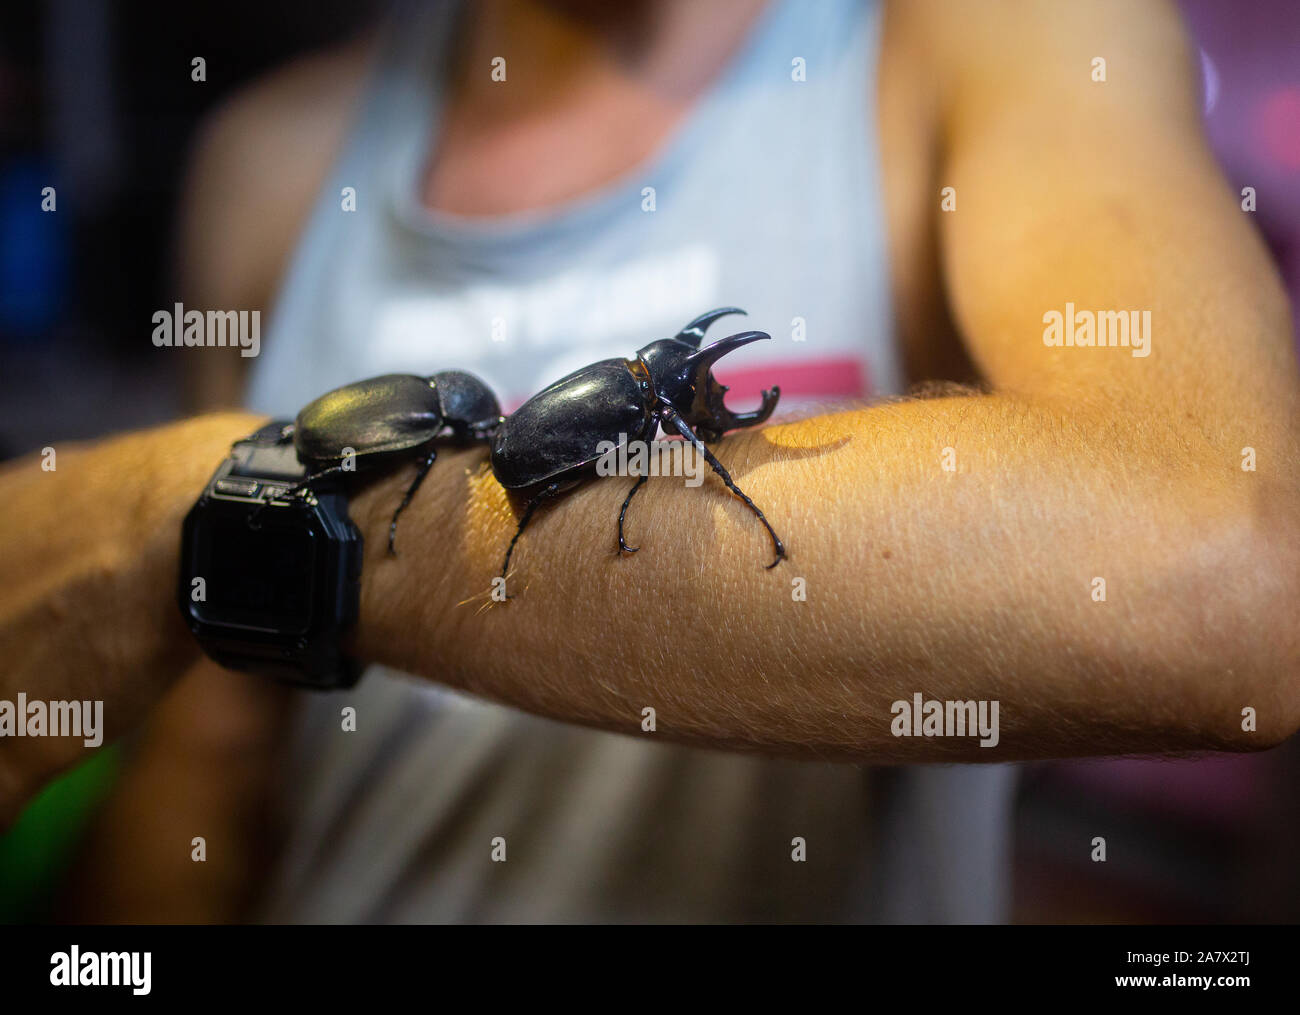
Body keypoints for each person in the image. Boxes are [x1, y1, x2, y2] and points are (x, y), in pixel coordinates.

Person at [2, 0, 1297, 922]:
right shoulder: (273, 164)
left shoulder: (980, 41)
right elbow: (213, 757)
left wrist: (221, 526)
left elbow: (1238, 565)